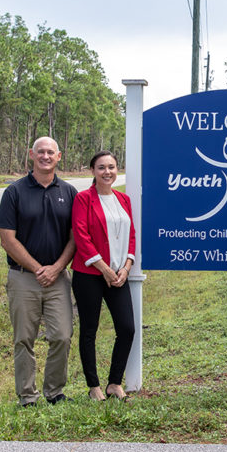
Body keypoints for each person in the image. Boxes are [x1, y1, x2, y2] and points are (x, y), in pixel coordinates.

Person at [0, 136, 78, 407]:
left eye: (50, 152)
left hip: (58, 279)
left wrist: (56, 268)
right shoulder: (14, 192)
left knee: (62, 336)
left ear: (59, 156)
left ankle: (54, 392)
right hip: (23, 278)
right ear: (31, 154)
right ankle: (27, 396)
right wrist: (37, 268)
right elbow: (7, 238)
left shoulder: (68, 193)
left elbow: (74, 237)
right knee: (24, 339)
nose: (45, 156)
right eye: (40, 152)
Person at [71, 151, 136, 402]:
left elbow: (131, 235)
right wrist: (104, 269)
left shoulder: (124, 199)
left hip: (119, 275)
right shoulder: (84, 199)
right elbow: (82, 236)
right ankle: (94, 386)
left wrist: (126, 267)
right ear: (93, 171)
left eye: (111, 167)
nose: (107, 172)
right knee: (89, 329)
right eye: (101, 168)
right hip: (90, 274)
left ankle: (114, 383)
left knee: (127, 328)